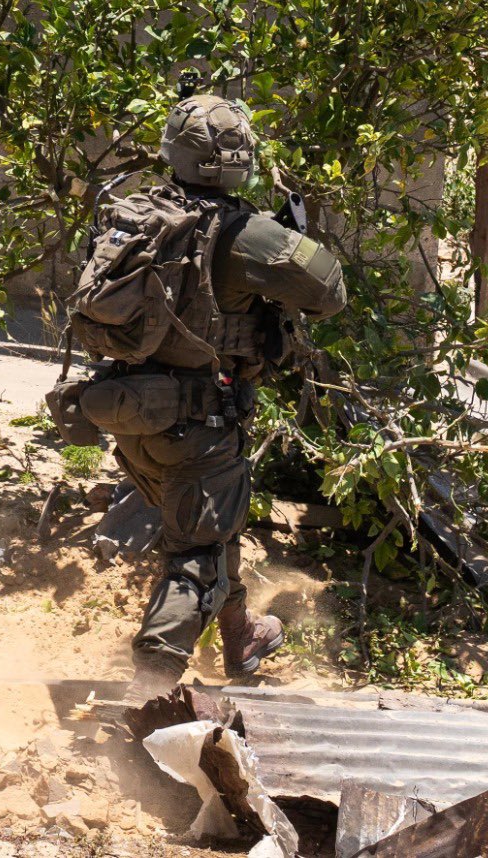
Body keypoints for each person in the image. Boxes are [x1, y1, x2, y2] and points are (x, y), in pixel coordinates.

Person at [62, 94, 347, 696]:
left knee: (210, 531)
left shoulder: (136, 217)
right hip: (200, 424)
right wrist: (288, 241)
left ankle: (240, 633)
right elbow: (329, 290)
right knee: (198, 555)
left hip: (132, 415)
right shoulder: (243, 234)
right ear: (240, 159)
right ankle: (149, 684)